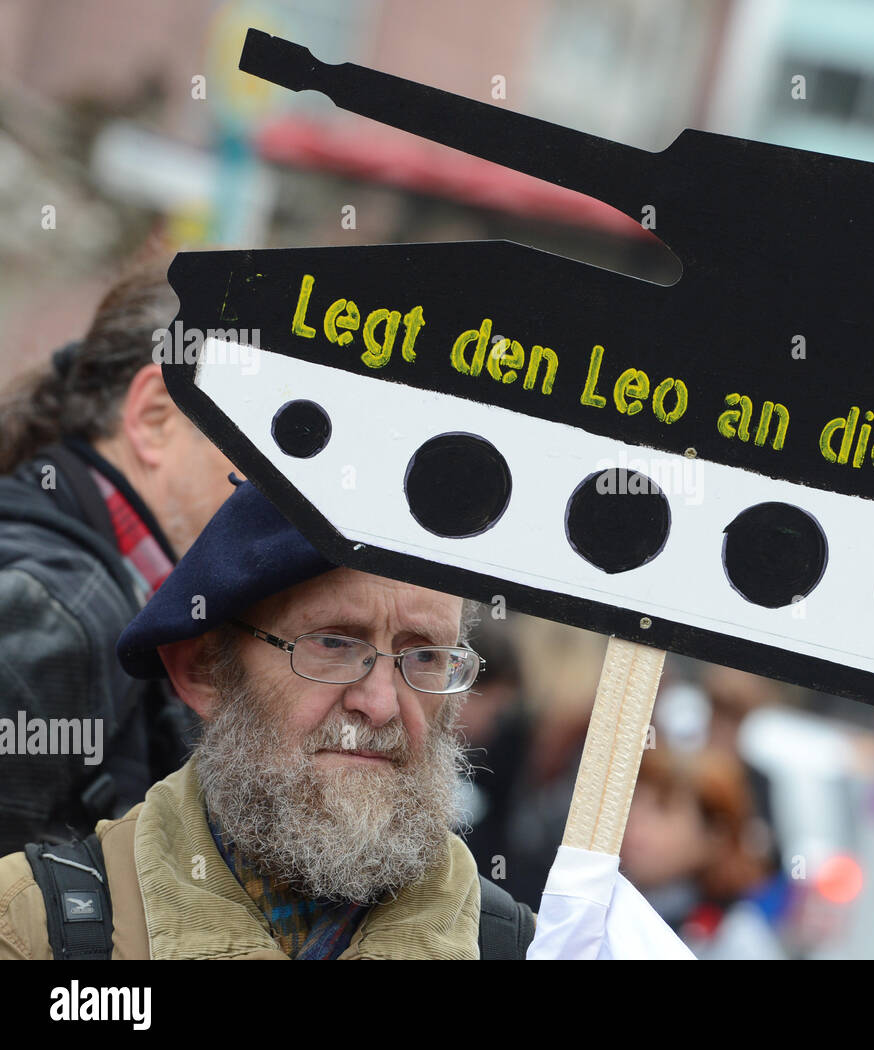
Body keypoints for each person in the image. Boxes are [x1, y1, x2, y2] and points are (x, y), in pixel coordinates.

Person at [0, 477, 538, 959]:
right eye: (333, 643)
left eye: (424, 656)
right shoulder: (35, 930)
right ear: (206, 670)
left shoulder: (536, 949)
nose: (380, 704)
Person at [0, 258, 239, 853]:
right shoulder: (56, 619)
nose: (283, 486)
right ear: (154, 416)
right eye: (265, 439)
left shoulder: (100, 595)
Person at [621, 745, 789, 959]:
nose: (634, 821)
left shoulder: (735, 936)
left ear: (714, 835)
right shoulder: (598, 899)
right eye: (634, 802)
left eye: (662, 808)